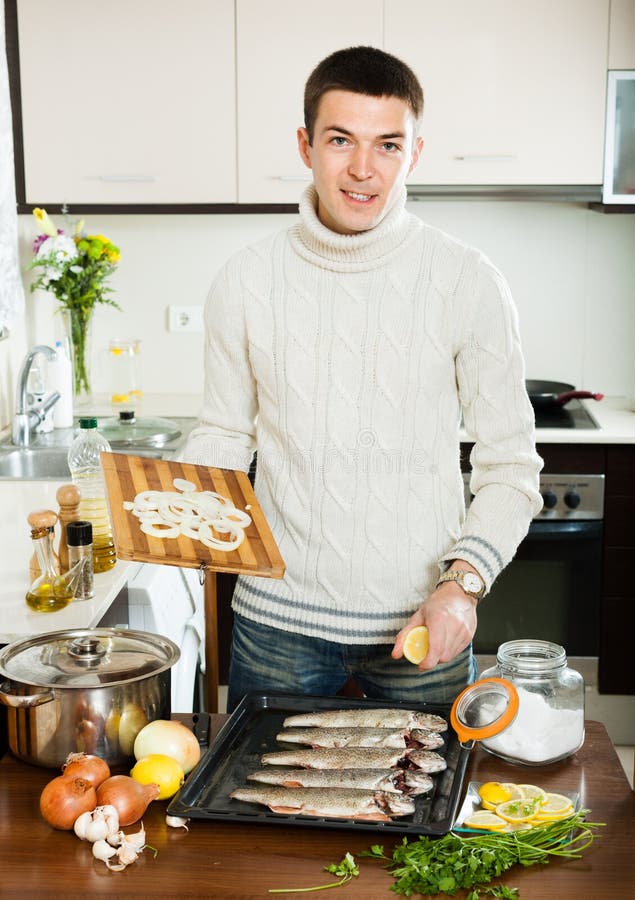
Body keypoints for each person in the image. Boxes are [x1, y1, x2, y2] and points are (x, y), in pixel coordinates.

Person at [181, 45, 543, 713]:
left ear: (415, 153)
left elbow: (511, 468)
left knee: (416, 816)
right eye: (340, 139)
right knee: (260, 815)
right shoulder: (244, 280)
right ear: (305, 144)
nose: (361, 168)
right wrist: (181, 513)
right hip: (275, 623)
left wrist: (462, 585)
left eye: (386, 145)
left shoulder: (466, 281)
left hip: (422, 621)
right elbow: (225, 432)